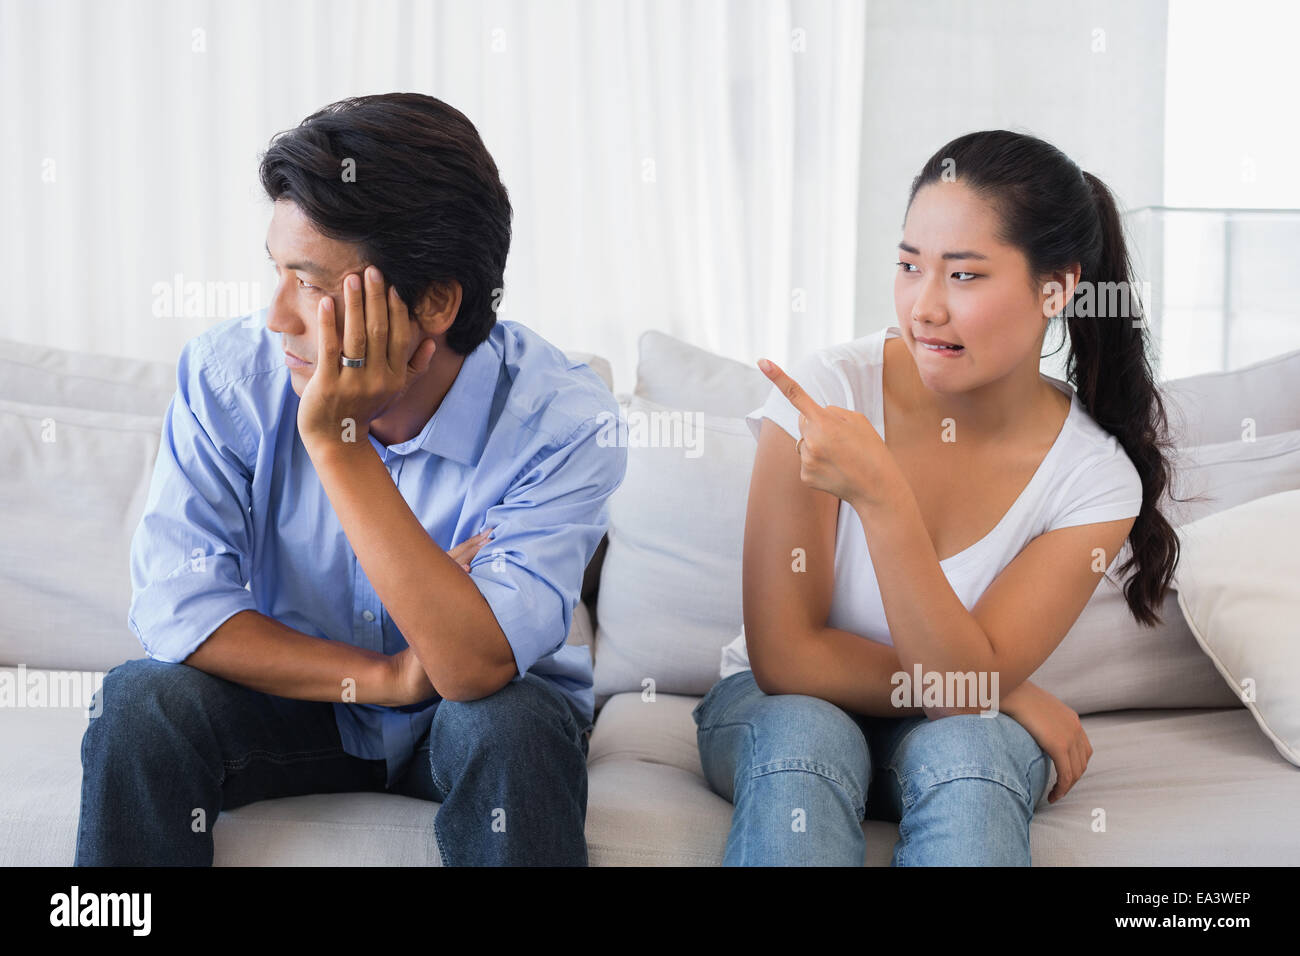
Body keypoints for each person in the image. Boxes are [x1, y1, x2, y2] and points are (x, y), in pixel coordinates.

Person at [75, 93, 627, 866]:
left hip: (473, 719)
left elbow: (470, 665)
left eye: (309, 282)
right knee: (140, 703)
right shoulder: (230, 377)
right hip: (297, 703)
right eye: (277, 272)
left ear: (434, 301)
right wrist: (386, 676)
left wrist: (340, 446)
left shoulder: (563, 420)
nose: (276, 317)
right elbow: (177, 606)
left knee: (511, 724)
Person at [694, 129, 1181, 866]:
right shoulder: (831, 393)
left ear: (1058, 287)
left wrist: (885, 500)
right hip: (778, 710)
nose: (923, 307)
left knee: (974, 761)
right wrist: (1004, 690)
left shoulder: (1094, 478)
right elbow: (787, 660)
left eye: (964, 276)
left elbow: (959, 701)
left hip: (948, 730)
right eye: (908, 265)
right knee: (808, 734)